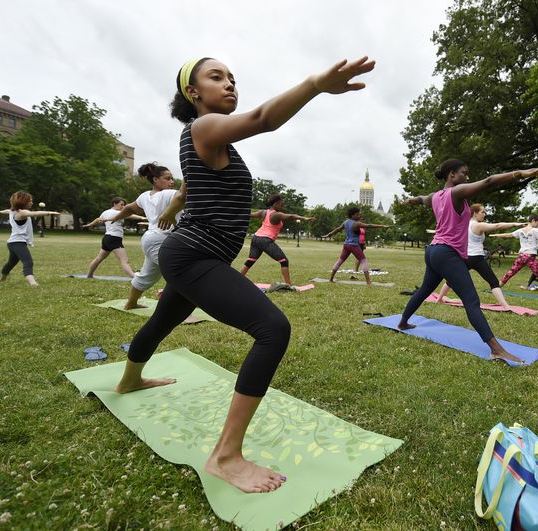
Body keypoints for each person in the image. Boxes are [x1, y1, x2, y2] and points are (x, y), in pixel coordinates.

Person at [112, 55, 374, 494]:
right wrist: (314, 83)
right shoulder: (203, 127)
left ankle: (129, 381)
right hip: (196, 256)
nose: (230, 83)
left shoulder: (211, 140)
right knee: (273, 328)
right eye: (216, 77)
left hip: (193, 255)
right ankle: (226, 456)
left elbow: (193, 189)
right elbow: (263, 119)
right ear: (193, 93)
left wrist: (179, 206)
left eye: (233, 77)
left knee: (164, 320)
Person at [397, 159, 538, 364]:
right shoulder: (456, 193)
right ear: (451, 174)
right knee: (471, 300)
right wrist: (521, 173)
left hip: (433, 251)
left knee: (425, 290)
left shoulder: (436, 196)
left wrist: (408, 201)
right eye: (464, 173)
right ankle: (496, 350)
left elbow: (421, 198)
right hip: (447, 253)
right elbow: (489, 181)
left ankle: (403, 322)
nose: (467, 178)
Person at [101, 163, 181, 309]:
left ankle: (131, 303)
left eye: (172, 179)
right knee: (181, 271)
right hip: (163, 240)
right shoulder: (170, 194)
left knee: (146, 276)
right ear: (155, 180)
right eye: (167, 178)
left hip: (151, 240)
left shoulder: (145, 196)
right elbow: (184, 195)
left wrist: (115, 218)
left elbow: (129, 208)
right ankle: (177, 309)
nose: (172, 182)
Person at [434, 203, 527, 311]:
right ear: (475, 213)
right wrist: (516, 224)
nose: (484, 214)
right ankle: (506, 306)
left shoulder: (463, 224)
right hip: (476, 258)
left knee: (451, 279)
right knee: (493, 282)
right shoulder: (477, 225)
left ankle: (439, 299)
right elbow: (497, 226)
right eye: (482, 212)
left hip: (465, 257)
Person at [239, 193, 313, 287]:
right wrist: (304, 218)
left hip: (255, 238)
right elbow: (290, 216)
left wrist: (236, 212)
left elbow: (249, 214)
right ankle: (288, 285)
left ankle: (236, 280)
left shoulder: (263, 212)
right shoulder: (276, 215)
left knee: (250, 261)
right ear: (276, 204)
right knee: (284, 261)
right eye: (281, 204)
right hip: (265, 240)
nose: (283, 206)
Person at [0, 192, 59, 286]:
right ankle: (33, 283)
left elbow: (5, 211)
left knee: (11, 262)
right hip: (17, 243)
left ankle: (3, 278)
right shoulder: (22, 212)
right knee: (28, 261)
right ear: (23, 201)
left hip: (13, 243)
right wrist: (50, 213)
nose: (32, 203)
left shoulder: (13, 211)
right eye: (30, 201)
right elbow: (34, 213)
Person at [324, 207, 390, 285]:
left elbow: (338, 229)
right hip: (354, 245)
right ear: (352, 215)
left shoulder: (346, 222)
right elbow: (369, 225)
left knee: (340, 261)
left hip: (346, 245)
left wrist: (329, 234)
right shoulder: (357, 223)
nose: (359, 216)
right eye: (357, 214)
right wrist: (382, 226)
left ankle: (331, 279)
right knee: (363, 261)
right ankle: (368, 281)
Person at [83, 197, 140, 278]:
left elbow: (97, 220)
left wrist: (89, 225)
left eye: (124, 205)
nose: (123, 207)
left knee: (98, 259)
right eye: (121, 204)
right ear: (114, 204)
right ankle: (134, 277)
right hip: (114, 239)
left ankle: (89, 275)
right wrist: (143, 218)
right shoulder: (116, 213)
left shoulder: (105, 212)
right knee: (124, 261)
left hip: (107, 238)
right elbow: (131, 216)